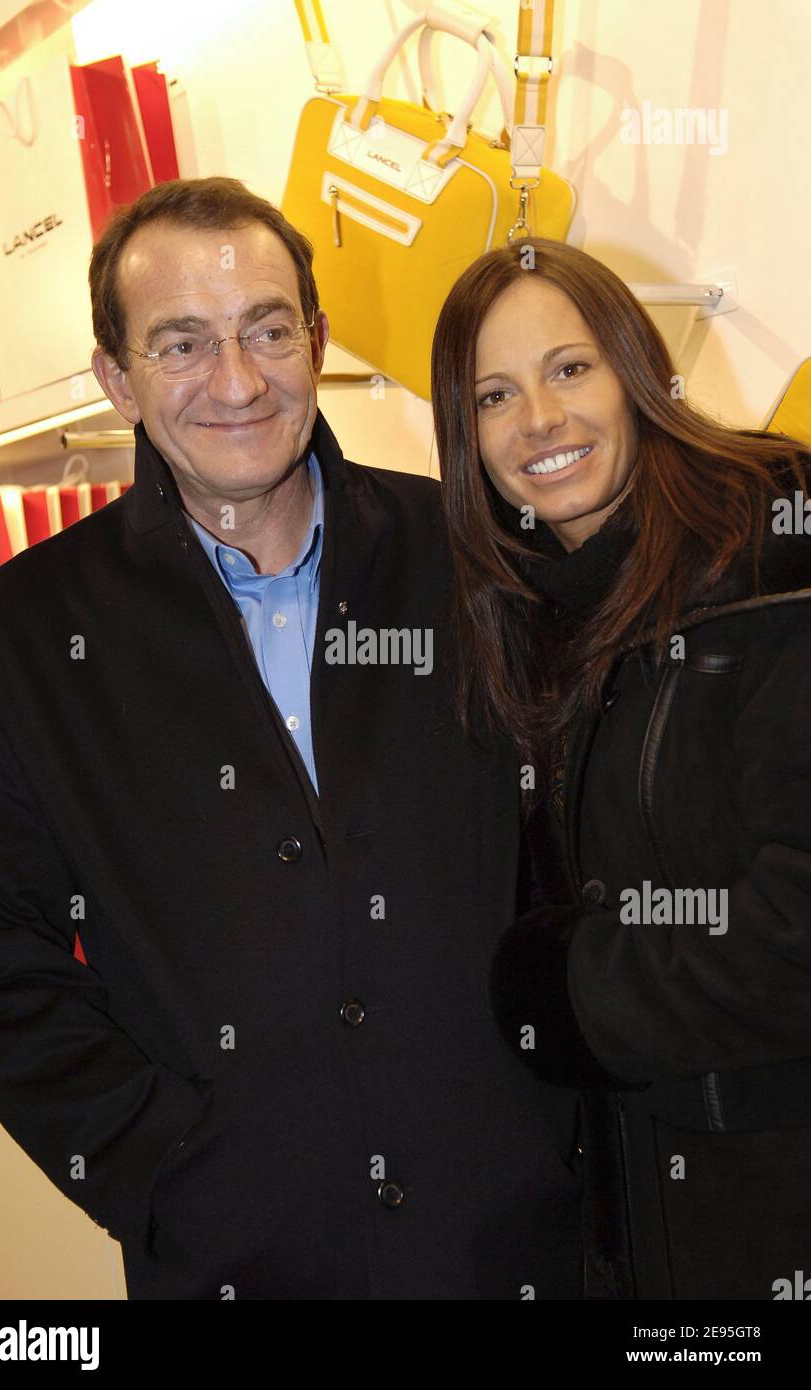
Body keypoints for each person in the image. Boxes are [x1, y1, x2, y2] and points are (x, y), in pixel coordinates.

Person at [0, 181, 583, 1300]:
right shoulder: (17, 641)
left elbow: (577, 849)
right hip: (236, 1262)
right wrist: (163, 1168)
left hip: (516, 1239)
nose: (236, 381)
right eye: (182, 342)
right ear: (116, 379)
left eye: (267, 330)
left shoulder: (475, 558)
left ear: (316, 341)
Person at [431, 235, 811, 1300]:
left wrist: (572, 992)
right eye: (492, 395)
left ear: (636, 369)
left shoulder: (771, 554)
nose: (539, 421)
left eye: (568, 367)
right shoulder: (540, 611)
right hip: (652, 1222)